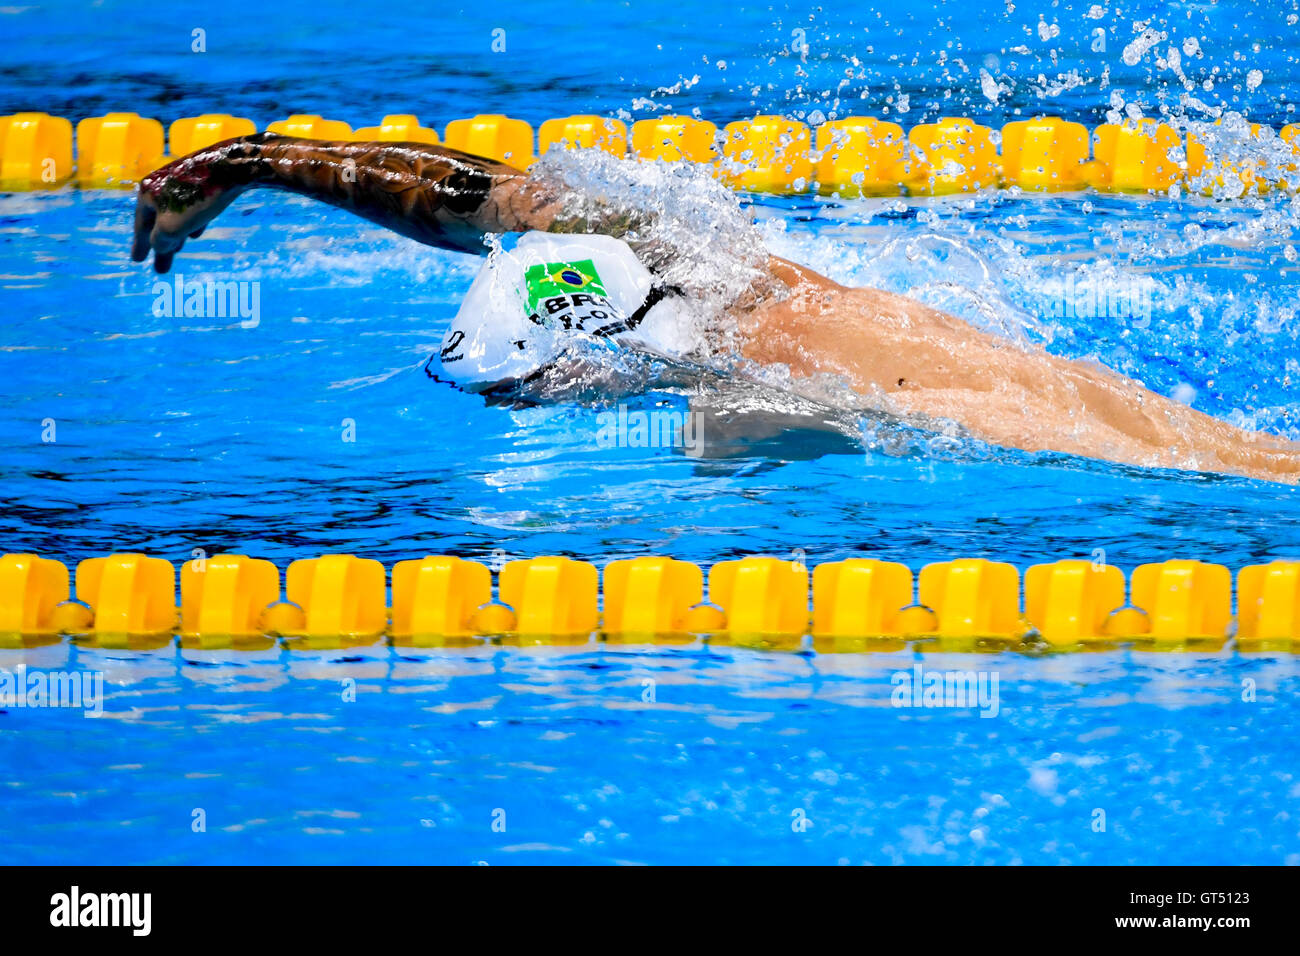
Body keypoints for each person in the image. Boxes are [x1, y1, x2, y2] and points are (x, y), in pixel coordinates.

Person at [130, 132, 1300, 483]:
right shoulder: (698, 259)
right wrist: (255, 162)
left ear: (581, 358)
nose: (528, 409)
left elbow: (1001, 422)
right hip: (1036, 384)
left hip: (1017, 412)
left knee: (1243, 468)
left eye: (527, 388)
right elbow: (470, 197)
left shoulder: (738, 397)